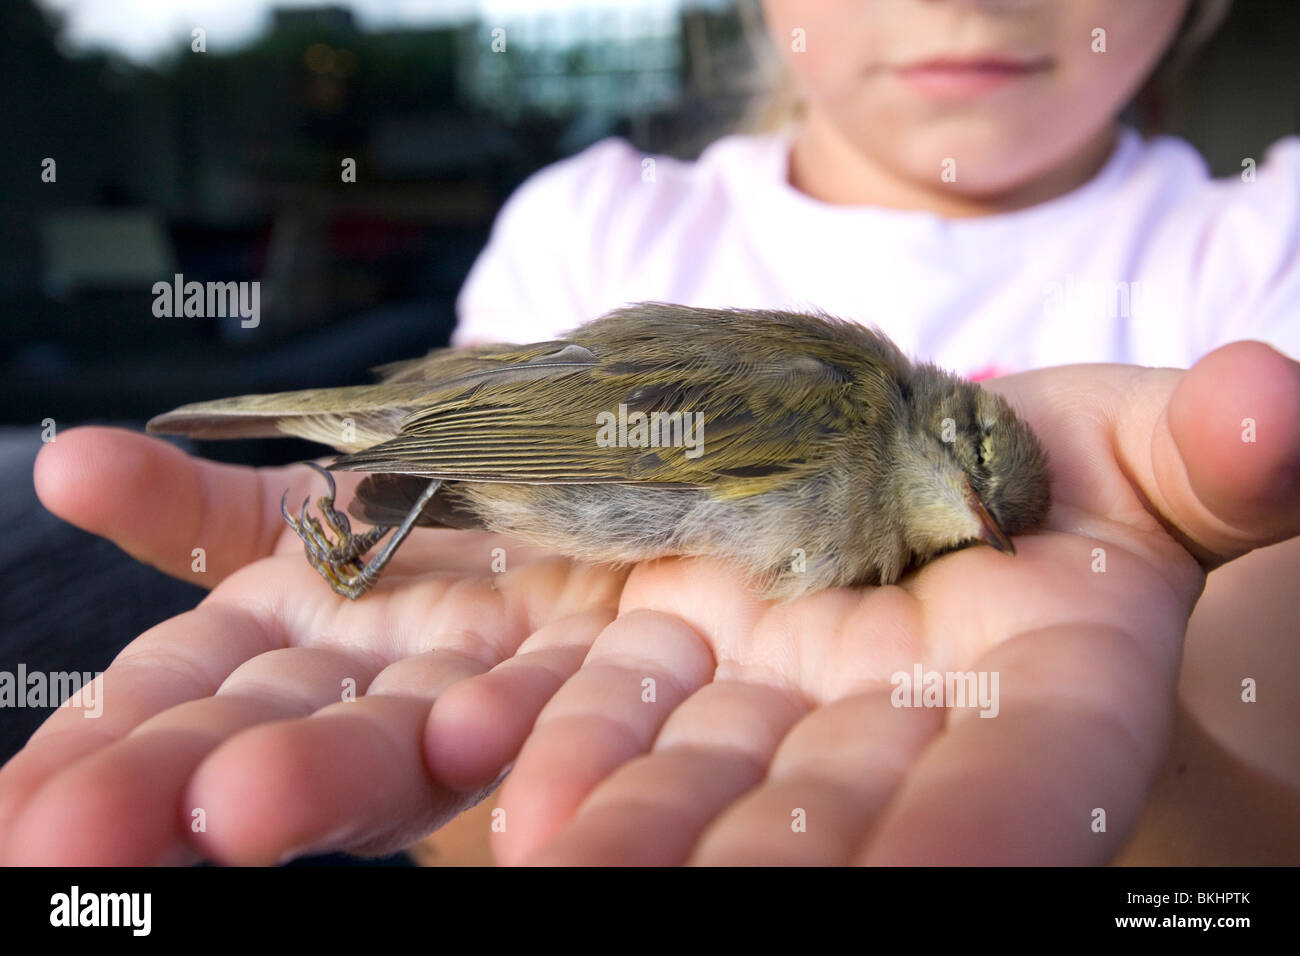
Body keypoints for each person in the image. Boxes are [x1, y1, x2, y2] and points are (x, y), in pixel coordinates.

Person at [7, 0, 1299, 865]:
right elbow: (573, 440)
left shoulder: (1260, 246)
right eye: (965, 508)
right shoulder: (641, 261)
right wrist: (402, 476)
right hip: (506, 436)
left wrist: (1121, 742)